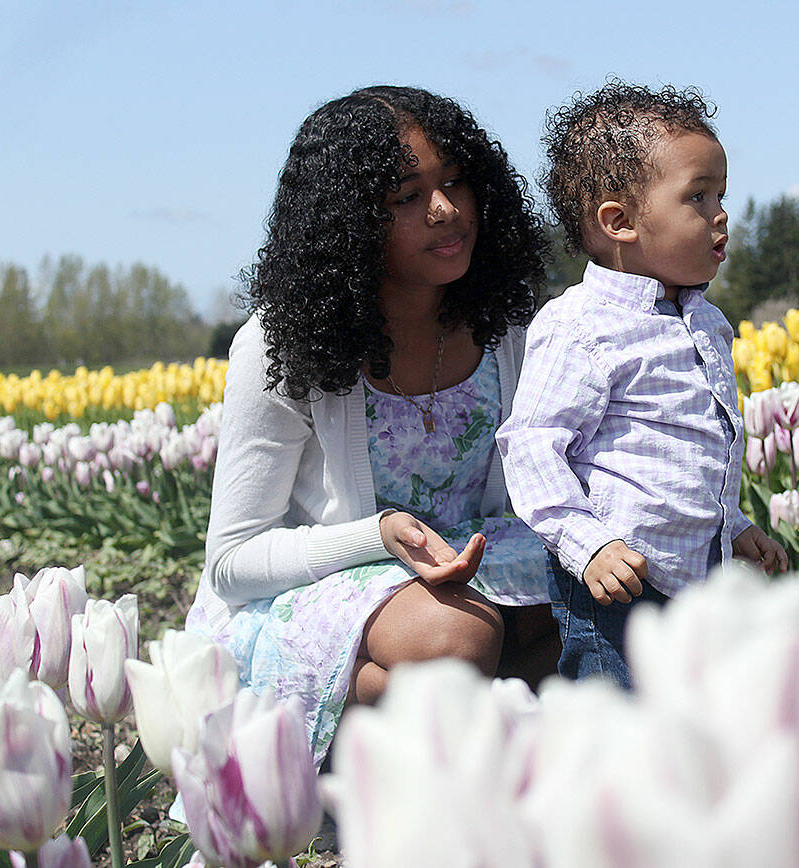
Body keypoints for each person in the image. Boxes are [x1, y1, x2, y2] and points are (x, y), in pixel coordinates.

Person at [186, 86, 558, 767]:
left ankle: (475, 784)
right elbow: (233, 562)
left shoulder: (507, 329)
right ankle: (305, 758)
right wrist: (379, 536)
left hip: (474, 570)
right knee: (456, 636)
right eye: (407, 197)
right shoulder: (282, 348)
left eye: (453, 183)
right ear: (349, 221)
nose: (446, 211)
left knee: (588, 604)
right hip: (323, 593)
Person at [496, 82, 788, 689]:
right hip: (616, 584)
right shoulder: (579, 326)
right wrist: (587, 545)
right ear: (620, 221)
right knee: (615, 727)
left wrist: (734, 526)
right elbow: (530, 445)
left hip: (700, 580)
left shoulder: (708, 322)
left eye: (721, 194)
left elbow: (700, 452)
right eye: (698, 197)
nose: (721, 214)